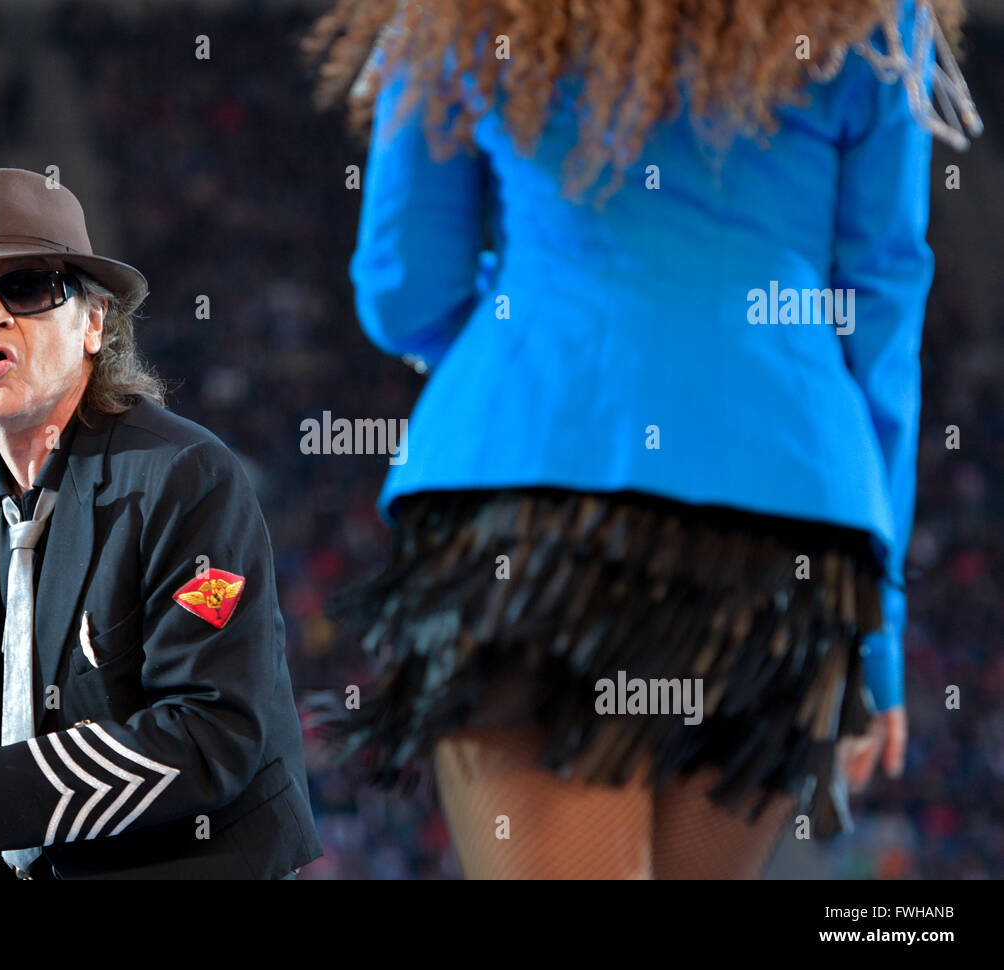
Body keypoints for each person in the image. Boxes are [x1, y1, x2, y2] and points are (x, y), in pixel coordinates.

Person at [303, 0, 979, 878]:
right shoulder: (878, 18)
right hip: (784, 520)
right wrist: (878, 638)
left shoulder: (467, 12)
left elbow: (403, 290)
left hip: (531, 499)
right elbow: (881, 311)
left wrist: (536, 339)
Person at [0, 167, 322, 879]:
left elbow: (210, 738)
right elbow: (33, 749)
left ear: (95, 323)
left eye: (26, 287)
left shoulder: (185, 477)